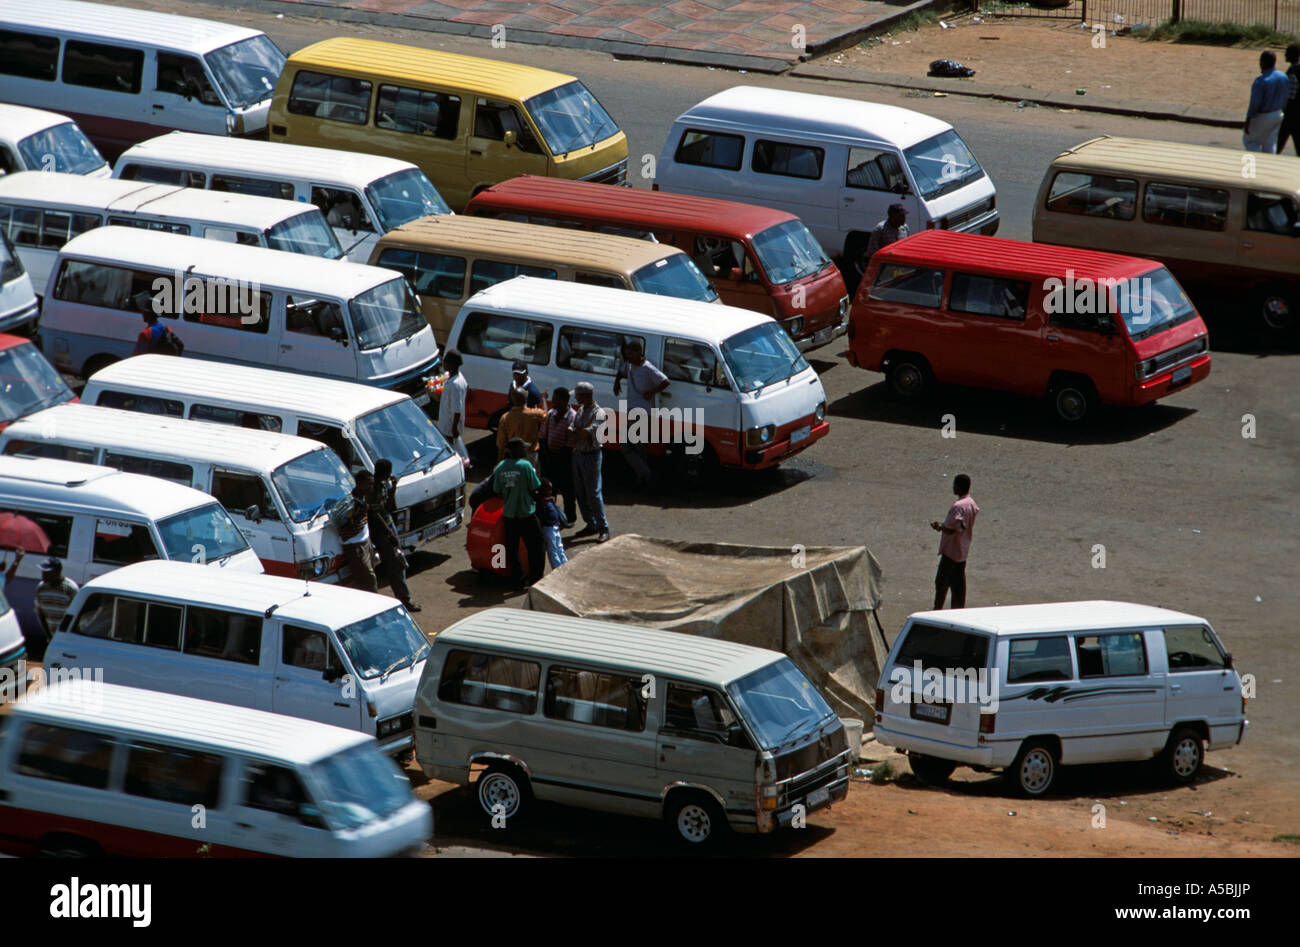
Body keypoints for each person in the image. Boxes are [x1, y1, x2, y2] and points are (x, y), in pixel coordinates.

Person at [613, 340, 669, 490]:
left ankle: (647, 475)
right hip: (634, 411)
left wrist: (651, 392)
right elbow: (621, 370)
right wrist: (617, 381)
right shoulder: (629, 365)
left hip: (642, 412)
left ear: (639, 352)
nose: (628, 357)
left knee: (626, 447)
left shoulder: (647, 368)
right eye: (626, 355)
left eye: (630, 354)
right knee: (639, 449)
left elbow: (665, 381)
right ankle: (643, 479)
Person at [492, 437, 544, 587]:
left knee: (512, 549)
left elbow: (497, 490)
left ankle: (518, 579)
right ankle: (536, 579)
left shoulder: (500, 467)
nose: (526, 450)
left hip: (509, 515)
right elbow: (535, 485)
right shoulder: (525, 466)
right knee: (536, 546)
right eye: (523, 448)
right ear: (515, 450)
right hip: (526, 514)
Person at [369, 459, 419, 612]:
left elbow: (390, 506)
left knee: (398, 561)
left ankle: (404, 596)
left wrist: (393, 489)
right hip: (381, 530)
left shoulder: (384, 485)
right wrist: (390, 534)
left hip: (388, 525)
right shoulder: (372, 489)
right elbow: (375, 515)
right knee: (395, 564)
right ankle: (404, 599)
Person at [930, 473, 979, 610]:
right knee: (958, 587)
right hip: (962, 552)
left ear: (959, 486)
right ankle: (957, 614)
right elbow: (963, 526)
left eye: (955, 485)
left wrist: (940, 527)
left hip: (951, 552)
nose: (953, 487)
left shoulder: (958, 506)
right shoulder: (971, 504)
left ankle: (936, 614)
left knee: (941, 584)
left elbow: (954, 528)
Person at [569, 381, 610, 544]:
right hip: (578, 454)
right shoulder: (581, 410)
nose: (576, 398)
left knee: (593, 493)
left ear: (586, 395)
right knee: (580, 492)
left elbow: (586, 433)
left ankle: (603, 528)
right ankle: (590, 523)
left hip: (591, 455)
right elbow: (572, 429)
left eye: (578, 395)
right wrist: (578, 432)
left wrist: (579, 432)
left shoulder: (599, 413)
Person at [538, 386, 577, 524]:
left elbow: (570, 444)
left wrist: (556, 458)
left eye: (556, 401)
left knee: (568, 491)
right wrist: (547, 455)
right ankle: (551, 515)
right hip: (549, 459)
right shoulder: (551, 414)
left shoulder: (572, 417)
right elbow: (542, 436)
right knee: (549, 490)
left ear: (565, 401)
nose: (553, 404)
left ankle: (570, 518)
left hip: (564, 460)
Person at [338, 470, 378, 592]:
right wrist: (360, 513)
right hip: (355, 545)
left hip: (366, 541)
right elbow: (343, 527)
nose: (371, 487)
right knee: (368, 579)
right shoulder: (349, 502)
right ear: (359, 484)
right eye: (368, 484)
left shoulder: (364, 498)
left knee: (370, 573)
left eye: (372, 484)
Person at [1244, 50, 1290, 154]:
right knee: (1270, 143)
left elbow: (1254, 103)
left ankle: (1257, 164)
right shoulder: (1283, 77)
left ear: (1263, 62)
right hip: (1278, 114)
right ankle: (1269, 165)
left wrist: (1248, 121)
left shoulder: (1261, 81)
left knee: (1251, 142)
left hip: (1263, 115)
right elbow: (1286, 96)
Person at [437, 350, 470, 470]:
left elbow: (456, 409)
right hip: (450, 423)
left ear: (451, 364)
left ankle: (458, 468)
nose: (443, 364)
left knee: (450, 451)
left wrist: (454, 427)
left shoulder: (454, 384)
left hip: (449, 425)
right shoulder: (459, 378)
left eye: (445, 362)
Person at [34, 558, 78, 648]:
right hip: (52, 638)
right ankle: (20, 663)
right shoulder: (41, 588)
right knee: (22, 661)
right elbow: (40, 613)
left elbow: (76, 616)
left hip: (68, 639)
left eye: (47, 572)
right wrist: (49, 636)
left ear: (57, 572)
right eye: (43, 571)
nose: (43, 575)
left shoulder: (70, 588)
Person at [496, 388, 545, 468]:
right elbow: (545, 415)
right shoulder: (535, 414)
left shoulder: (505, 418)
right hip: (531, 456)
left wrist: (499, 463)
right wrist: (543, 399)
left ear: (512, 399)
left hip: (512, 457)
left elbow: (501, 444)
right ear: (526, 399)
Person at [861, 203, 909, 277]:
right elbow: (872, 252)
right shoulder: (880, 229)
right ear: (892, 216)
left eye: (904, 216)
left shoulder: (905, 228)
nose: (904, 218)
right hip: (883, 268)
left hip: (899, 267)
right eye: (900, 216)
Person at [536, 478, 568, 570]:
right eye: (548, 489)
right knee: (553, 549)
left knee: (559, 547)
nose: (550, 491)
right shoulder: (541, 502)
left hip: (555, 526)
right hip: (548, 528)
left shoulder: (548, 500)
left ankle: (565, 564)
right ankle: (557, 568)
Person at [1276, 44, 1300, 155]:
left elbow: (1290, 95)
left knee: (1279, 142)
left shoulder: (1293, 72)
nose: (1285, 55)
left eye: (1288, 53)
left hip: (1291, 114)